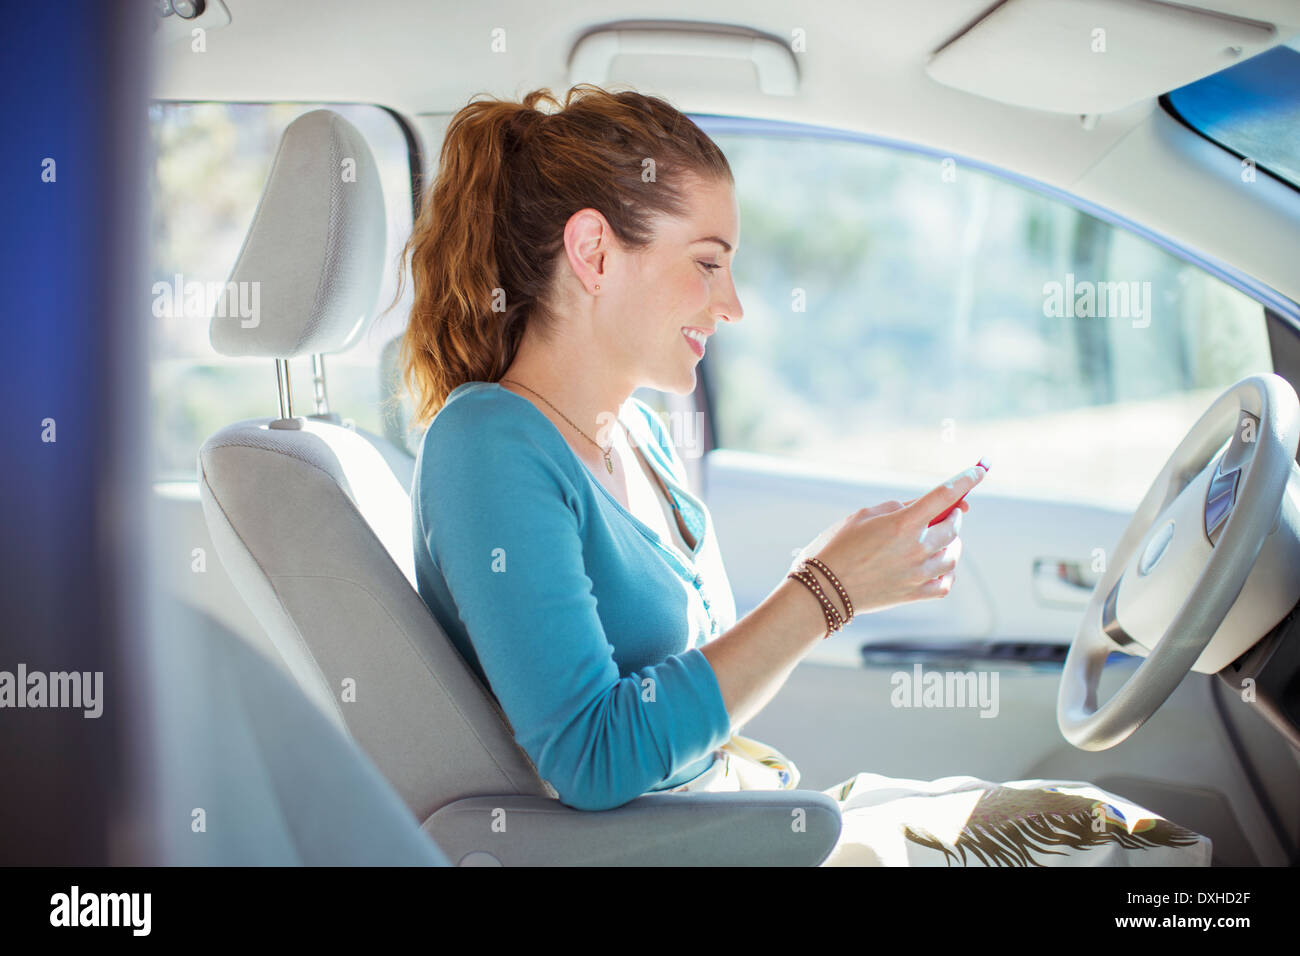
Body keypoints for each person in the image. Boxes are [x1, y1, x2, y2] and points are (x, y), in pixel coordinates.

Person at [394, 84, 1210, 866]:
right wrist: (824, 593)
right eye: (708, 264)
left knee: (1107, 822)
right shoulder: (489, 444)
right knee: (1131, 855)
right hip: (694, 848)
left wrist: (822, 576)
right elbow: (593, 758)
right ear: (594, 252)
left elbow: (696, 691)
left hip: (747, 815)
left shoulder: (637, 433)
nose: (733, 305)